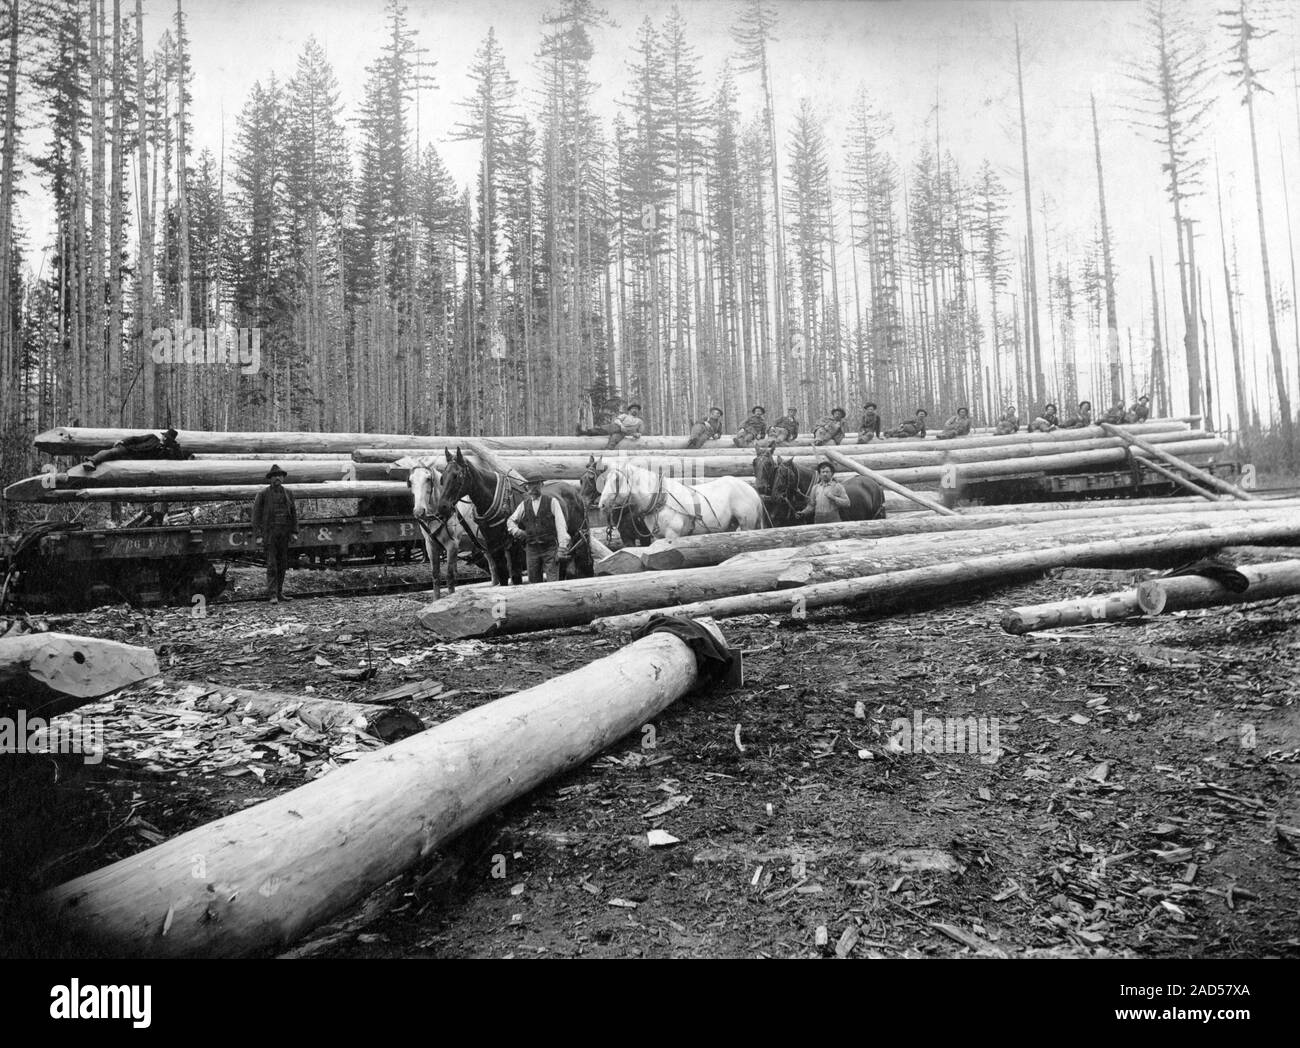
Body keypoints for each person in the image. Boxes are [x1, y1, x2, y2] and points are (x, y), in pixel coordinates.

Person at [506, 471, 571, 584]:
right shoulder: (524, 505)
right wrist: (517, 531)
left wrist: (562, 548)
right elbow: (510, 521)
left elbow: (561, 526)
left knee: (553, 583)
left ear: (541, 485)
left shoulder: (552, 502)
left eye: (536, 484)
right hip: (531, 550)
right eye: (531, 485)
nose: (533, 488)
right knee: (534, 584)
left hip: (550, 549)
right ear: (527, 487)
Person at [252, 464, 298, 604]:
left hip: (284, 534)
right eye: (274, 476)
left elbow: (294, 514)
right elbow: (256, 517)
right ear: (270, 479)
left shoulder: (288, 493)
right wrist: (259, 535)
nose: (277, 478)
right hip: (270, 534)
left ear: (283, 478)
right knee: (272, 564)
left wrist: (294, 532)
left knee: (282, 564)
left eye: (280, 476)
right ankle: (272, 595)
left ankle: (279, 592)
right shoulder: (263, 494)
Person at [82, 426, 187, 470]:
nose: (164, 439)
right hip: (130, 450)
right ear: (163, 436)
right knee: (112, 452)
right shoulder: (152, 438)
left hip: (137, 462)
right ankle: (91, 461)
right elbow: (135, 439)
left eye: (167, 439)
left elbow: (180, 460)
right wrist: (123, 441)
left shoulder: (166, 451)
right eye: (165, 437)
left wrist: (176, 447)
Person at [578, 402, 644, 449]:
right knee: (610, 433)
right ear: (630, 410)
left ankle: (605, 457)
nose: (635, 410)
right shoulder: (625, 416)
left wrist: (636, 435)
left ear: (638, 411)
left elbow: (640, 433)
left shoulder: (640, 421)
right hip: (618, 427)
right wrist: (621, 426)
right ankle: (584, 432)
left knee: (611, 438)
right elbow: (617, 420)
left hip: (626, 433)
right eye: (633, 408)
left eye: (637, 409)